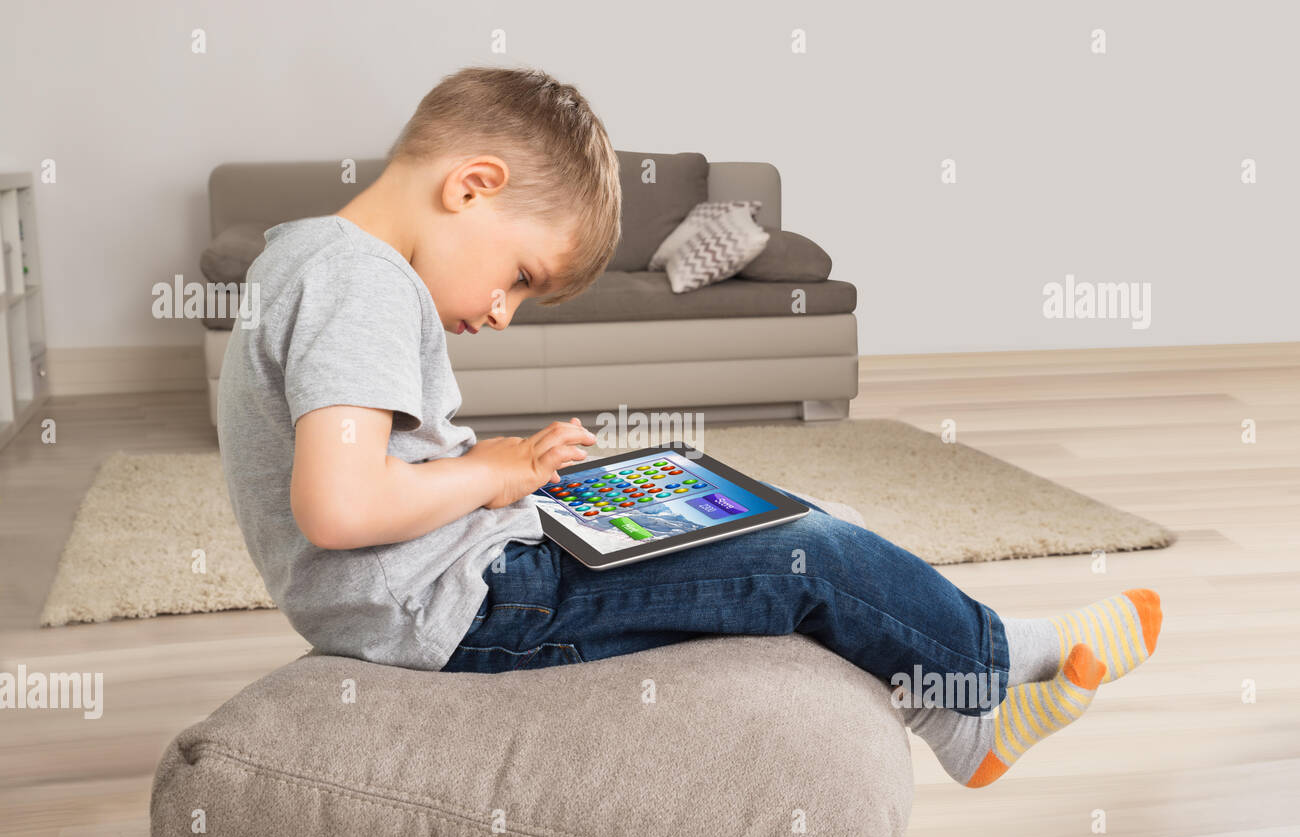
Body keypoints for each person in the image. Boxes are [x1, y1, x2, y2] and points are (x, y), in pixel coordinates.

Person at [217, 66, 1162, 789]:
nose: (504, 311)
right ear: (473, 185)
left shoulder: (314, 257)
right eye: (520, 276)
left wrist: (513, 473)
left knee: (774, 510)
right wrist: (493, 472)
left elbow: (375, 474)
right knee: (812, 556)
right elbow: (340, 506)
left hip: (458, 570)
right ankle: (1000, 668)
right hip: (465, 609)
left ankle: (952, 722)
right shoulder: (361, 279)